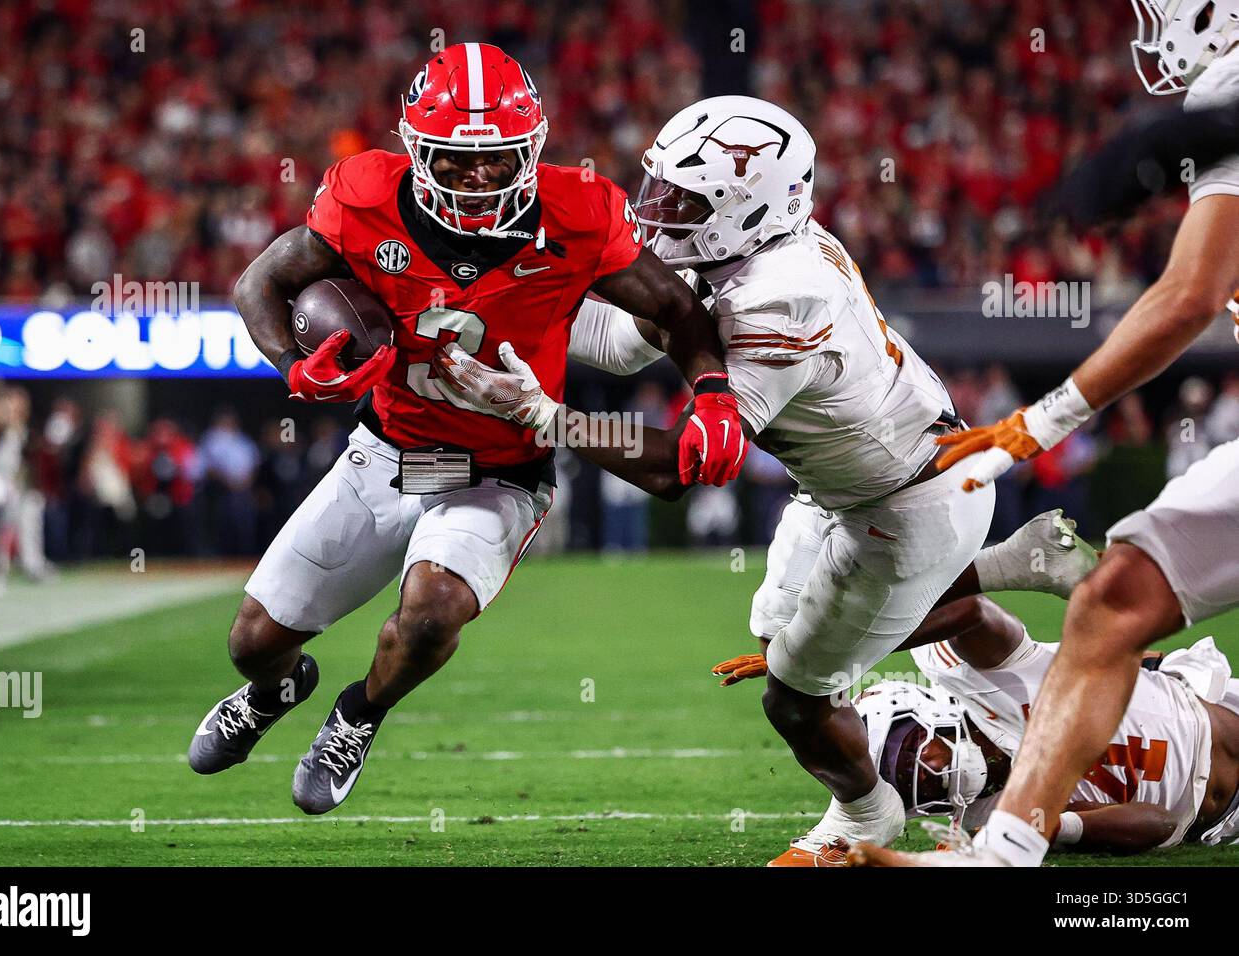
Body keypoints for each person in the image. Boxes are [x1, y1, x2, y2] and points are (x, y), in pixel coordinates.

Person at [432, 94, 1008, 864]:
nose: (660, 209)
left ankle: (866, 816)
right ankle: (970, 601)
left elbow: (684, 465)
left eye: (687, 199)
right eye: (662, 186)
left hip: (903, 506)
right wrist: (507, 292)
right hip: (865, 482)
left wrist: (544, 416)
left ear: (756, 205)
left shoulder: (782, 296)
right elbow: (624, 343)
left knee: (792, 695)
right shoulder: (753, 247)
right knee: (778, 634)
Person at [187, 43, 744, 815]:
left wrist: (713, 390)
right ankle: (276, 690)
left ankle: (358, 714)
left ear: (533, 149)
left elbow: (676, 308)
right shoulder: (363, 197)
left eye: (498, 159)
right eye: (455, 161)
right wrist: (292, 363)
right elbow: (262, 282)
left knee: (431, 611)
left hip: (499, 468)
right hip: (388, 451)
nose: (480, 178)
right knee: (251, 643)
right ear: (415, 152)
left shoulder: (577, 212)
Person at [851, 0, 1239, 866]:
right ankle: (1004, 854)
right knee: (1110, 603)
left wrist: (1041, 420)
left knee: (1113, 604)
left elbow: (1188, 298)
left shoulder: (1229, 76)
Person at [841, 592, 1239, 860]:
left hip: (1219, 719)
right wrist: (1044, 826)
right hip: (1224, 819)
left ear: (924, 710)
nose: (922, 776)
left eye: (909, 752)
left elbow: (969, 611)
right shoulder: (985, 821)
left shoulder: (973, 674)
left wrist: (866, 638)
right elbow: (1157, 822)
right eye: (901, 779)